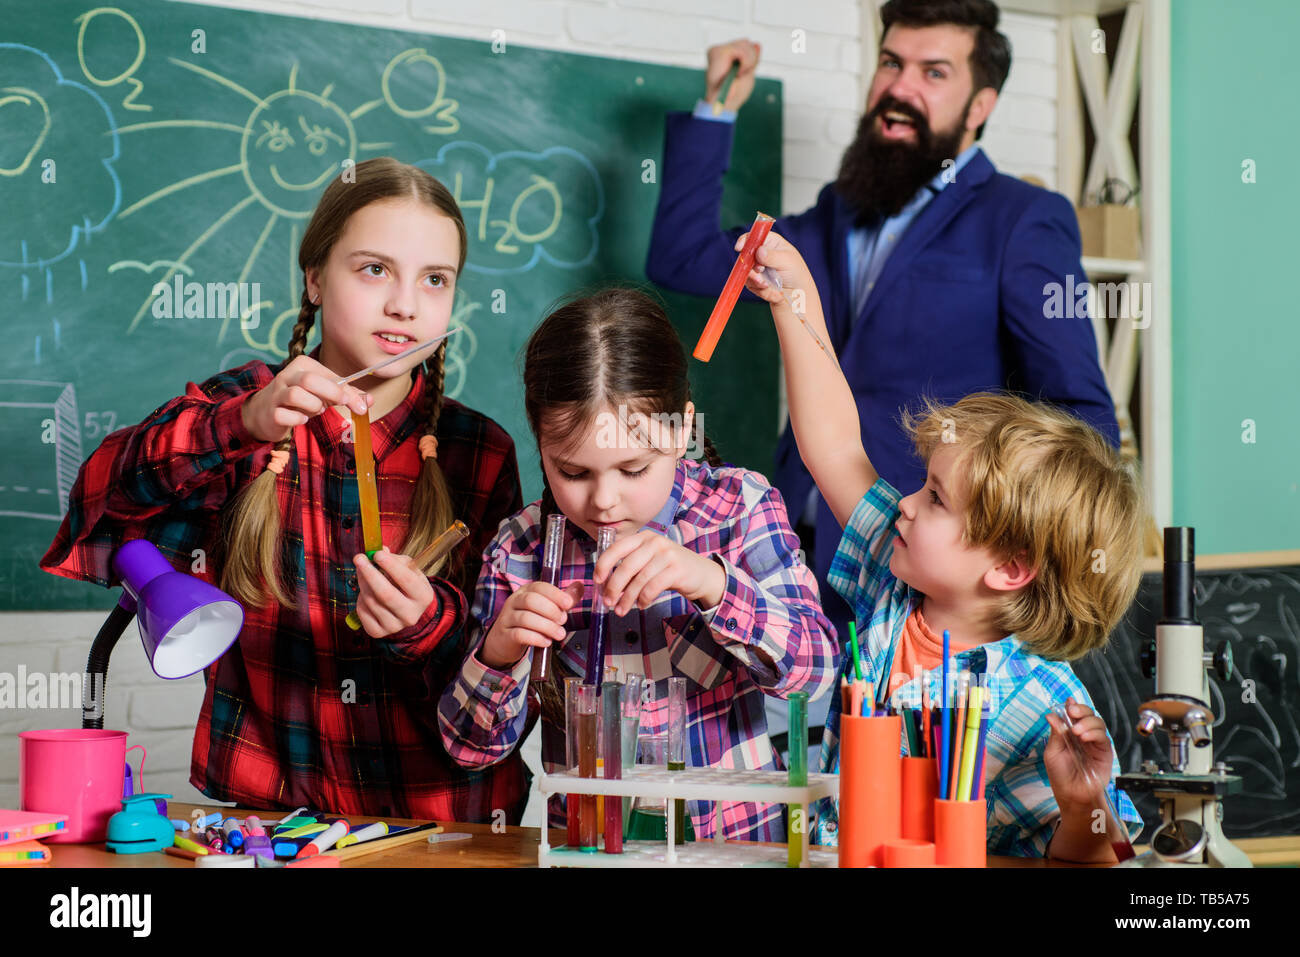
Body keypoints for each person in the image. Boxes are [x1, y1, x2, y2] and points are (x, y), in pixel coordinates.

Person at [41, 158, 528, 823]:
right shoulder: (241, 410)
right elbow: (95, 512)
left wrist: (427, 626)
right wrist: (237, 423)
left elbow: (504, 691)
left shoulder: (481, 451)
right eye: (374, 269)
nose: (405, 305)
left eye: (435, 280)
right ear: (315, 279)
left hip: (444, 829)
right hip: (276, 829)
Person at [646, 0, 1121, 651]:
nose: (900, 87)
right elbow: (682, 255)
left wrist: (999, 574)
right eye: (892, 63)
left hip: (929, 577)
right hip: (794, 553)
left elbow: (1084, 422)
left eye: (933, 72)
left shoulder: (1023, 220)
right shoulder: (838, 214)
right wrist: (717, 108)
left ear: (980, 105)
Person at [743, 226, 1142, 859]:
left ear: (1010, 568)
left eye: (934, 498)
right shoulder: (895, 578)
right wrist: (795, 299)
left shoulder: (1044, 703)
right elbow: (837, 447)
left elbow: (1102, 860)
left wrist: (1084, 805)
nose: (904, 502)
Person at [438, 287, 836, 841]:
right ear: (541, 444)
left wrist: (710, 583)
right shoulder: (522, 550)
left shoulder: (738, 507)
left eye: (633, 469)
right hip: (593, 848)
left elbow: (813, 675)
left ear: (681, 431)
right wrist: (500, 653)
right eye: (574, 473)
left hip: (736, 849)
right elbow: (469, 749)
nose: (603, 500)